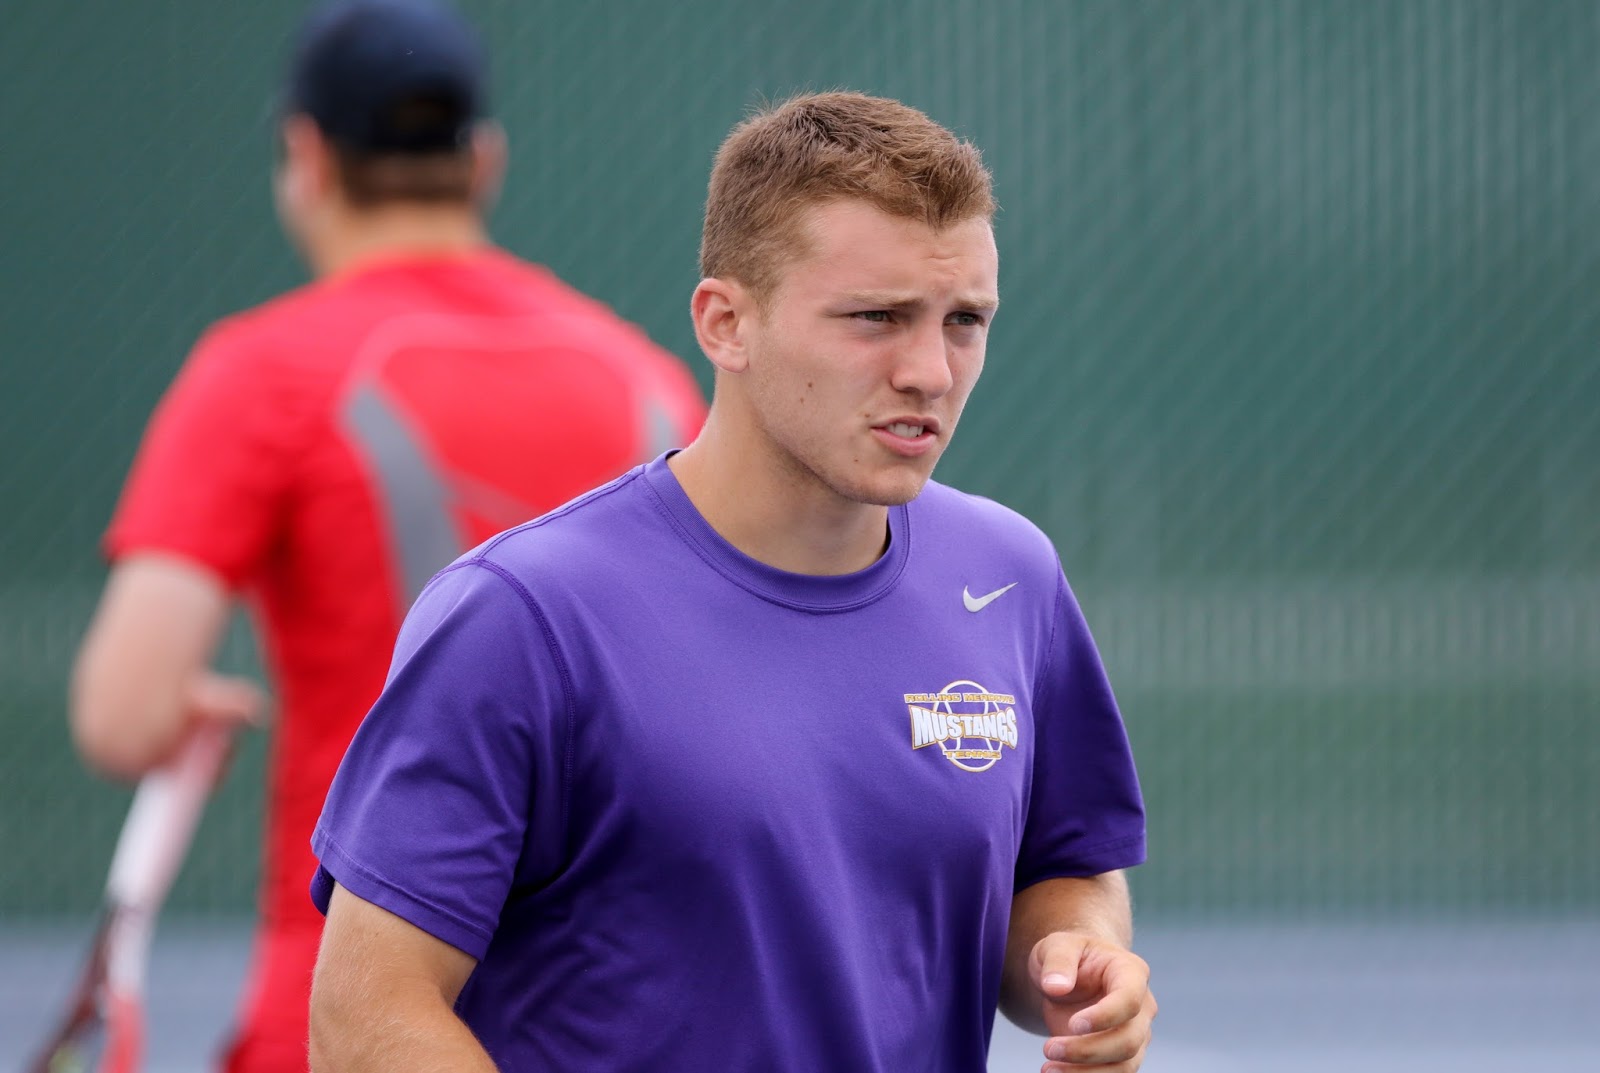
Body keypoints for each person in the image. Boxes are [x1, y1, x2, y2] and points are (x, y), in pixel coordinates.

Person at [307, 91, 1153, 1071]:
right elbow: (365, 1019)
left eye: (964, 319)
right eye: (874, 317)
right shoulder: (521, 615)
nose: (929, 368)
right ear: (725, 323)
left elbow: (1061, 863)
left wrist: (1079, 954)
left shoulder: (1011, 577)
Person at [67, 1, 707, 1069]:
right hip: (617, 1010)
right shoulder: (649, 379)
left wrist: (175, 708)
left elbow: (123, 714)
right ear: (485, 161)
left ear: (305, 155)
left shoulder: (261, 372)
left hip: (347, 1007)